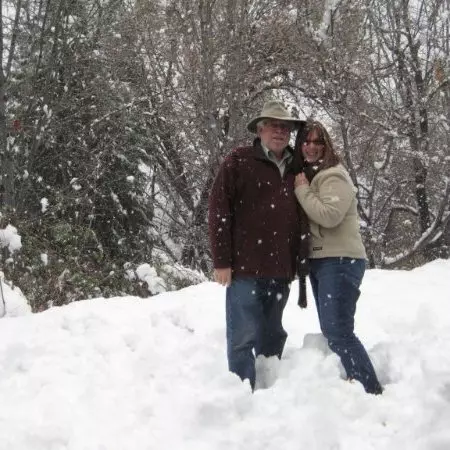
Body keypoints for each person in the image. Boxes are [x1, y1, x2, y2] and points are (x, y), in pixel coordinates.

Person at [208, 100, 309, 390]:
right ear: (260, 129)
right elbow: (218, 211)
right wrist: (222, 261)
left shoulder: (297, 167)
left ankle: (270, 391)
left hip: (281, 269)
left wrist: (299, 263)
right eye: (274, 126)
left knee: (273, 333)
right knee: (242, 336)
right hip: (244, 268)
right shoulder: (239, 161)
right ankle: (243, 395)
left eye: (285, 127)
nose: (280, 131)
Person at [294, 120, 383, 395]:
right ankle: (358, 387)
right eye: (306, 142)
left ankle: (370, 390)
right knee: (333, 331)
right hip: (323, 261)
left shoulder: (333, 175)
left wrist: (301, 189)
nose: (310, 146)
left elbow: (329, 216)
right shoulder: (312, 174)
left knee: (339, 331)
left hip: (341, 260)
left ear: (326, 145)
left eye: (317, 142)